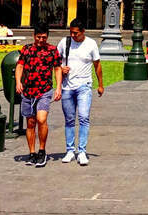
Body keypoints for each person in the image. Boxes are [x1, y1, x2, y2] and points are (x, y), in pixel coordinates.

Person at [15, 24, 63, 167]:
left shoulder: (52, 50)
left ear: (47, 37)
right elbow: (20, 66)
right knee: (30, 123)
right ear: (34, 36)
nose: (41, 40)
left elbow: (57, 68)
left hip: (44, 90)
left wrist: (58, 87)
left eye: (44, 37)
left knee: (41, 119)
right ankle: (32, 152)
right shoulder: (27, 49)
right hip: (28, 91)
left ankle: (42, 150)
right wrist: (18, 82)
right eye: (38, 37)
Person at [58, 19, 103, 166]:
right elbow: (56, 62)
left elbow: (97, 65)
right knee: (69, 119)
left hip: (84, 86)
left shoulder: (91, 44)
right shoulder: (64, 43)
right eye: (71, 32)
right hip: (67, 87)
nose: (73, 35)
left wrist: (100, 85)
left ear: (83, 32)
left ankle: (82, 151)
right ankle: (70, 150)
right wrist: (60, 69)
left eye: (76, 33)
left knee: (83, 117)